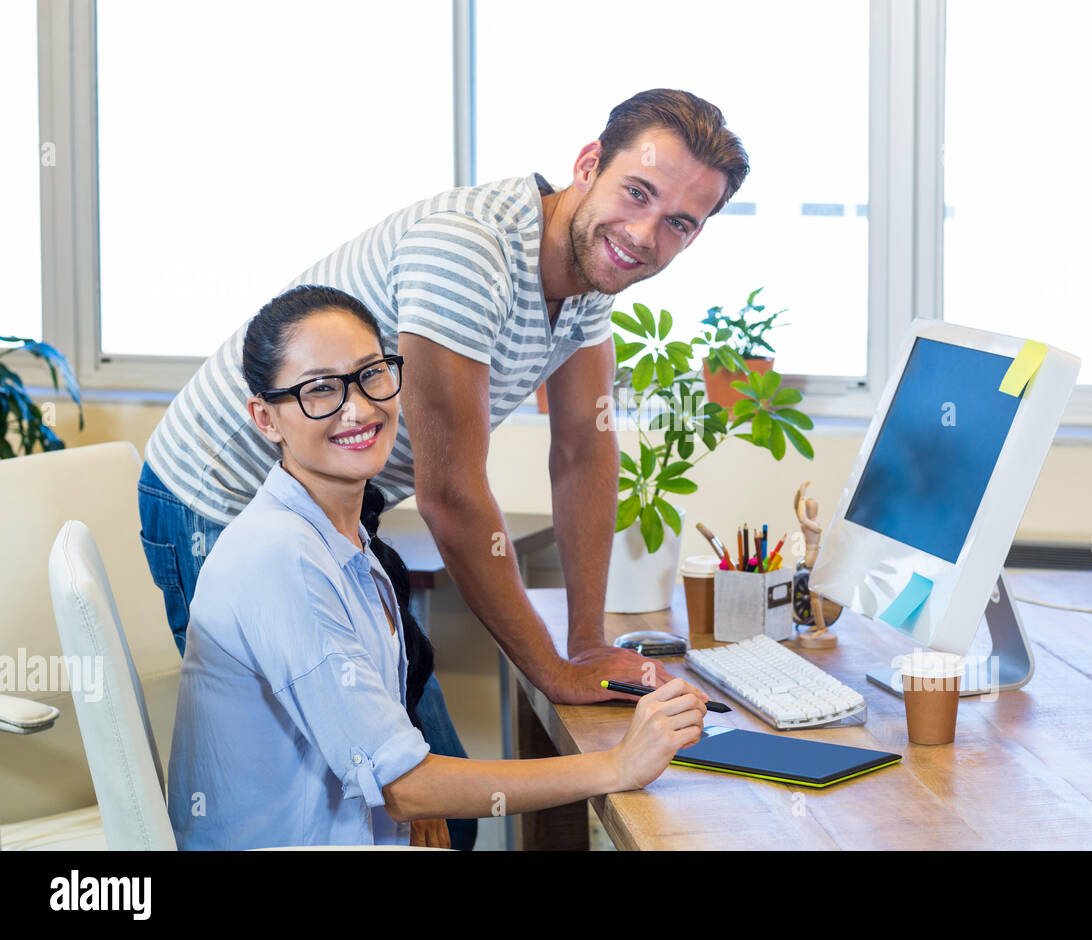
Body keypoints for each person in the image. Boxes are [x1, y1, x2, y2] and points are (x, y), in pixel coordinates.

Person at [138, 89, 748, 849]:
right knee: (371, 797)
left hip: (335, 513)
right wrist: (557, 675)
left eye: (680, 224)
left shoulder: (591, 274)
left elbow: (584, 451)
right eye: (638, 193)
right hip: (223, 498)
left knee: (435, 806)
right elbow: (453, 497)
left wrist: (587, 645)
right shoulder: (472, 251)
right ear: (588, 165)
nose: (646, 233)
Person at [167, 285, 706, 850]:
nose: (358, 407)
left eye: (371, 374)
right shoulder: (282, 556)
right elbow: (403, 786)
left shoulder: (344, 540)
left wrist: (404, 808)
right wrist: (616, 766)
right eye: (320, 389)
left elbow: (383, 762)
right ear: (265, 418)